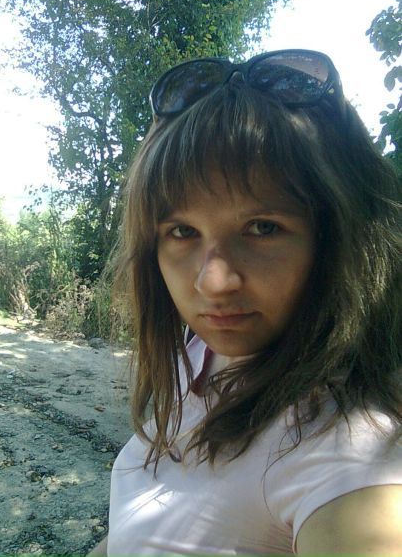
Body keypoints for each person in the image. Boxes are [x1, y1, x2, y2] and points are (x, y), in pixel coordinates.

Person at [87, 50, 402, 557]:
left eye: (263, 227)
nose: (214, 282)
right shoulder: (202, 350)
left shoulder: (346, 447)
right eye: (182, 231)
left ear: (340, 239)